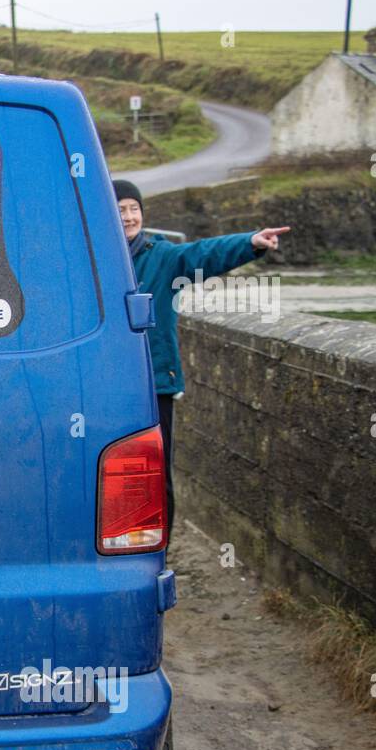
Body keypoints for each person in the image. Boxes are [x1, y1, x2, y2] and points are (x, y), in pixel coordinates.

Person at [113, 178, 289, 523]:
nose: (130, 217)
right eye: (120, 210)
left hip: (154, 383)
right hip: (105, 381)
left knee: (155, 472)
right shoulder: (95, 258)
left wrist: (250, 242)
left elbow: (204, 254)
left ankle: (159, 551)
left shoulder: (162, 256)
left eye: (134, 209)